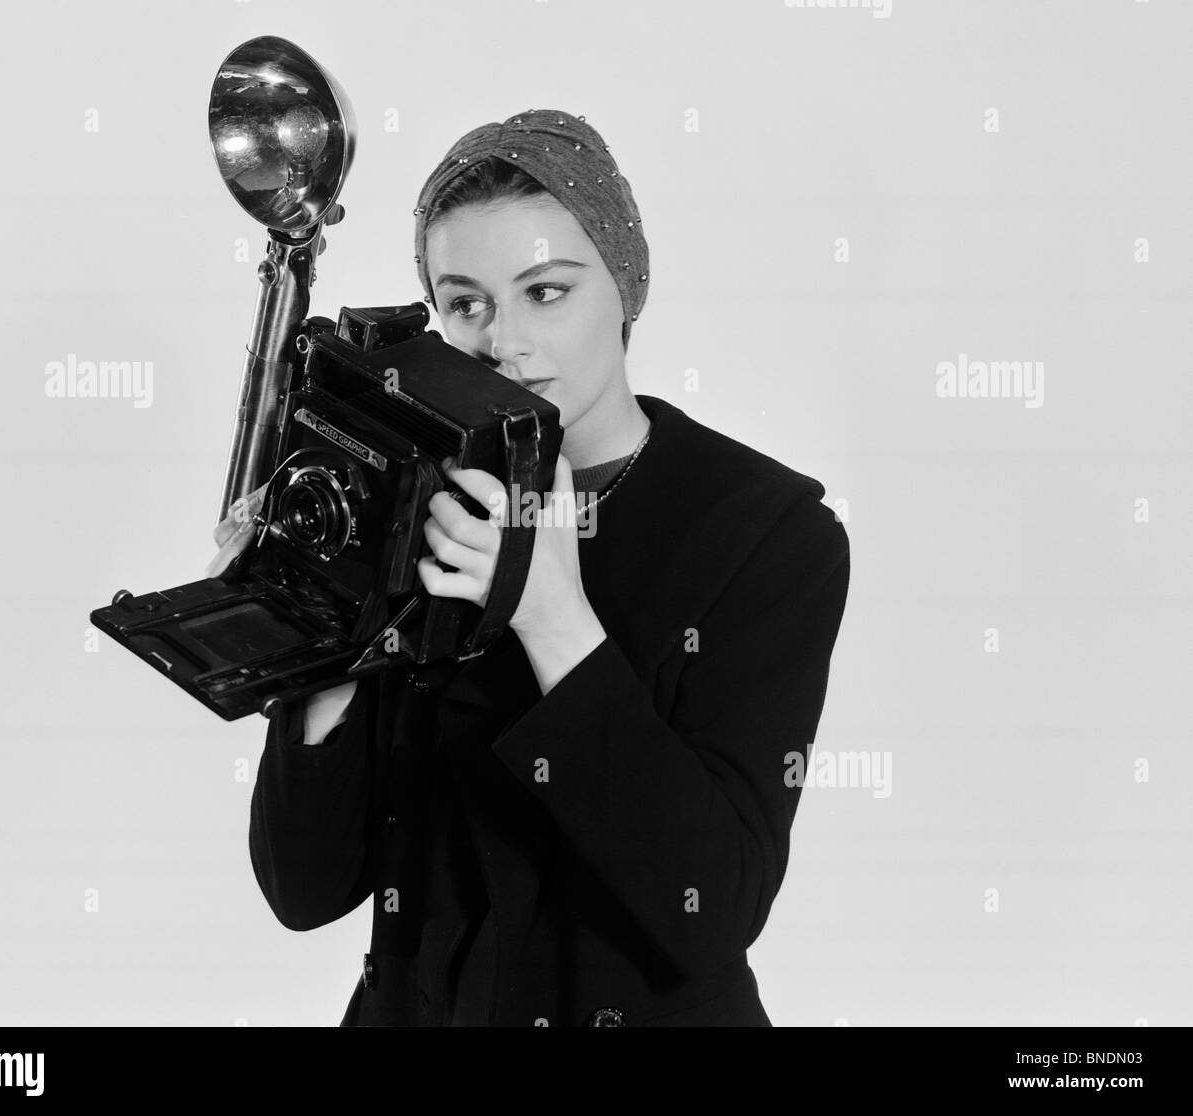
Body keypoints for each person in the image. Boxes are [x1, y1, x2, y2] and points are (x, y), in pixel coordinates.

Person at [245, 109, 851, 1026]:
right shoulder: (416, 501)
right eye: (466, 303)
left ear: (626, 286)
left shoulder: (767, 534)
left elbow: (712, 905)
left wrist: (551, 616)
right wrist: (318, 654)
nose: (505, 345)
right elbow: (307, 891)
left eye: (547, 292)